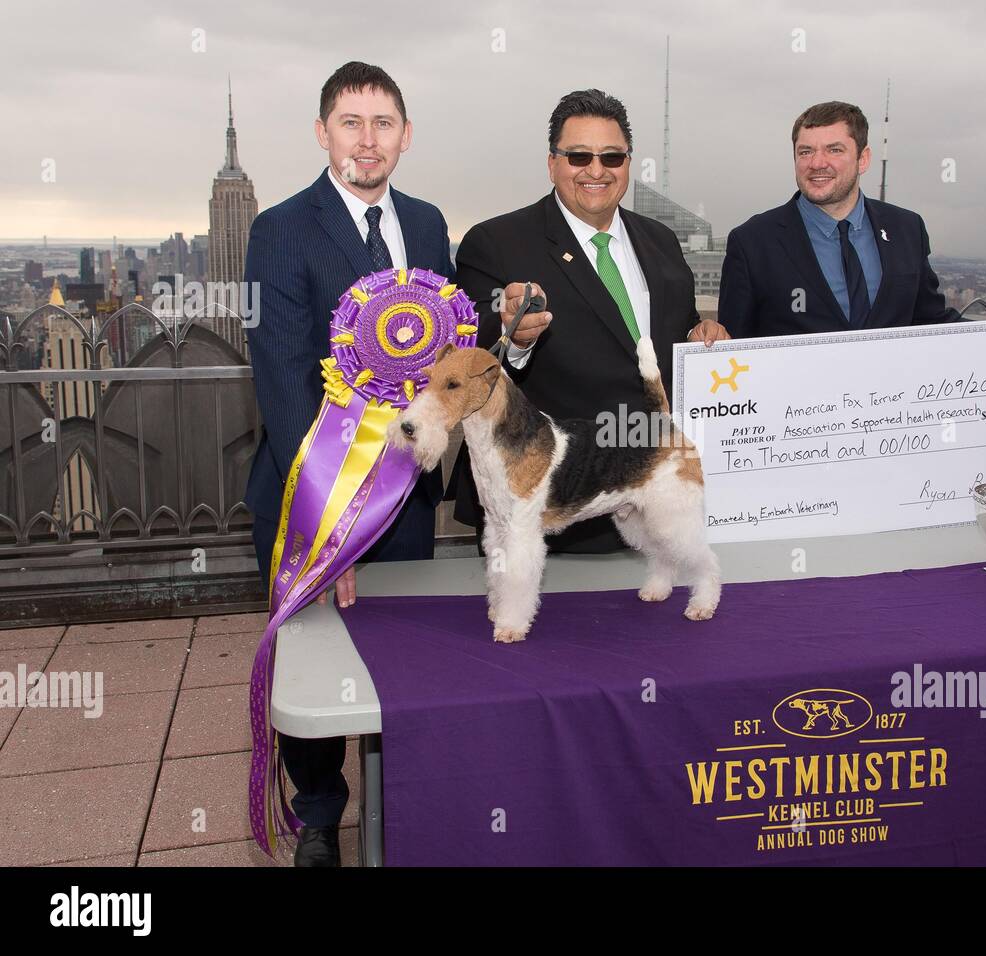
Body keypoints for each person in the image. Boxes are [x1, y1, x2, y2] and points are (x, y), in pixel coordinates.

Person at [243, 61, 453, 866]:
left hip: (405, 495)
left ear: (405, 134)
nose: (369, 141)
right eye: (351, 123)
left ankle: (407, 800)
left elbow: (443, 358)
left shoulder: (431, 224)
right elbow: (285, 378)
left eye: (384, 124)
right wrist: (330, 526)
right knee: (316, 667)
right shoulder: (282, 229)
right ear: (323, 133)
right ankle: (322, 816)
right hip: (313, 495)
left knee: (403, 660)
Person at [449, 89, 729, 553]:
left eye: (611, 156)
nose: (596, 170)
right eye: (578, 156)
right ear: (552, 162)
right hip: (549, 512)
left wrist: (702, 333)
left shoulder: (661, 240)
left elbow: (674, 333)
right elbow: (471, 355)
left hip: (654, 497)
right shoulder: (495, 242)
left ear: (629, 162)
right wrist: (512, 335)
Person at [719, 100, 986, 349]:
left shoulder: (906, 229)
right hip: (794, 440)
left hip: (891, 435)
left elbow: (934, 323)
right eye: (805, 151)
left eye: (834, 150)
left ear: (863, 159)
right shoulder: (753, 242)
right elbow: (731, 349)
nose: (817, 163)